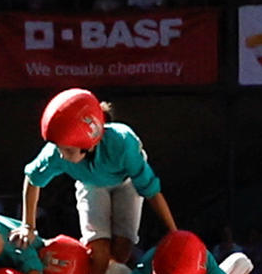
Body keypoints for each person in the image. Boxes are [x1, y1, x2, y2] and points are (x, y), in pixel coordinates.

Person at [23, 86, 182, 258]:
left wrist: (174, 232)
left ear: (89, 144)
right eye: (59, 148)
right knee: (96, 251)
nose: (62, 155)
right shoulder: (55, 153)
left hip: (126, 182)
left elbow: (151, 190)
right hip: (90, 183)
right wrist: (28, 226)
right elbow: (32, 179)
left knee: (121, 251)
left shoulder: (122, 143)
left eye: (68, 150)